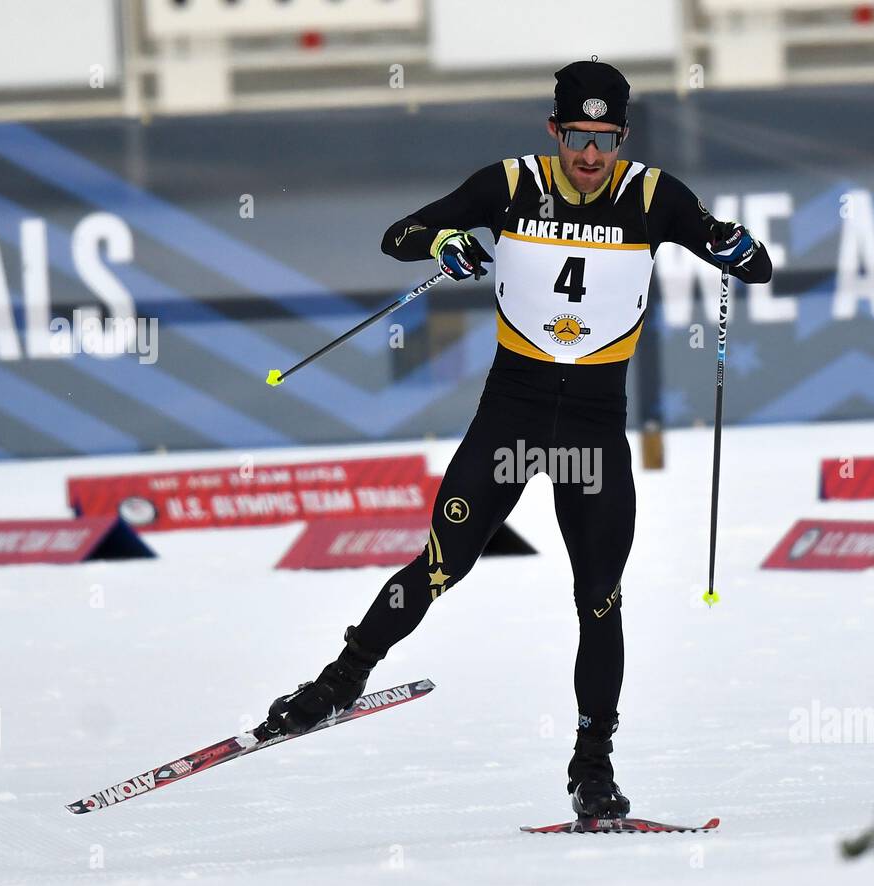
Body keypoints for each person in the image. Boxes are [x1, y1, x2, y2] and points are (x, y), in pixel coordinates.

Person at [267, 58, 772, 818]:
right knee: (440, 564)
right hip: (515, 417)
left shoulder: (655, 197)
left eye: (604, 140)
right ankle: (338, 681)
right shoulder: (509, 184)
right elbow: (398, 235)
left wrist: (735, 248)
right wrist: (443, 246)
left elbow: (755, 265)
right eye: (577, 137)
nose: (590, 156)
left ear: (622, 137)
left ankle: (592, 765)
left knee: (599, 599)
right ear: (554, 131)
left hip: (595, 430)